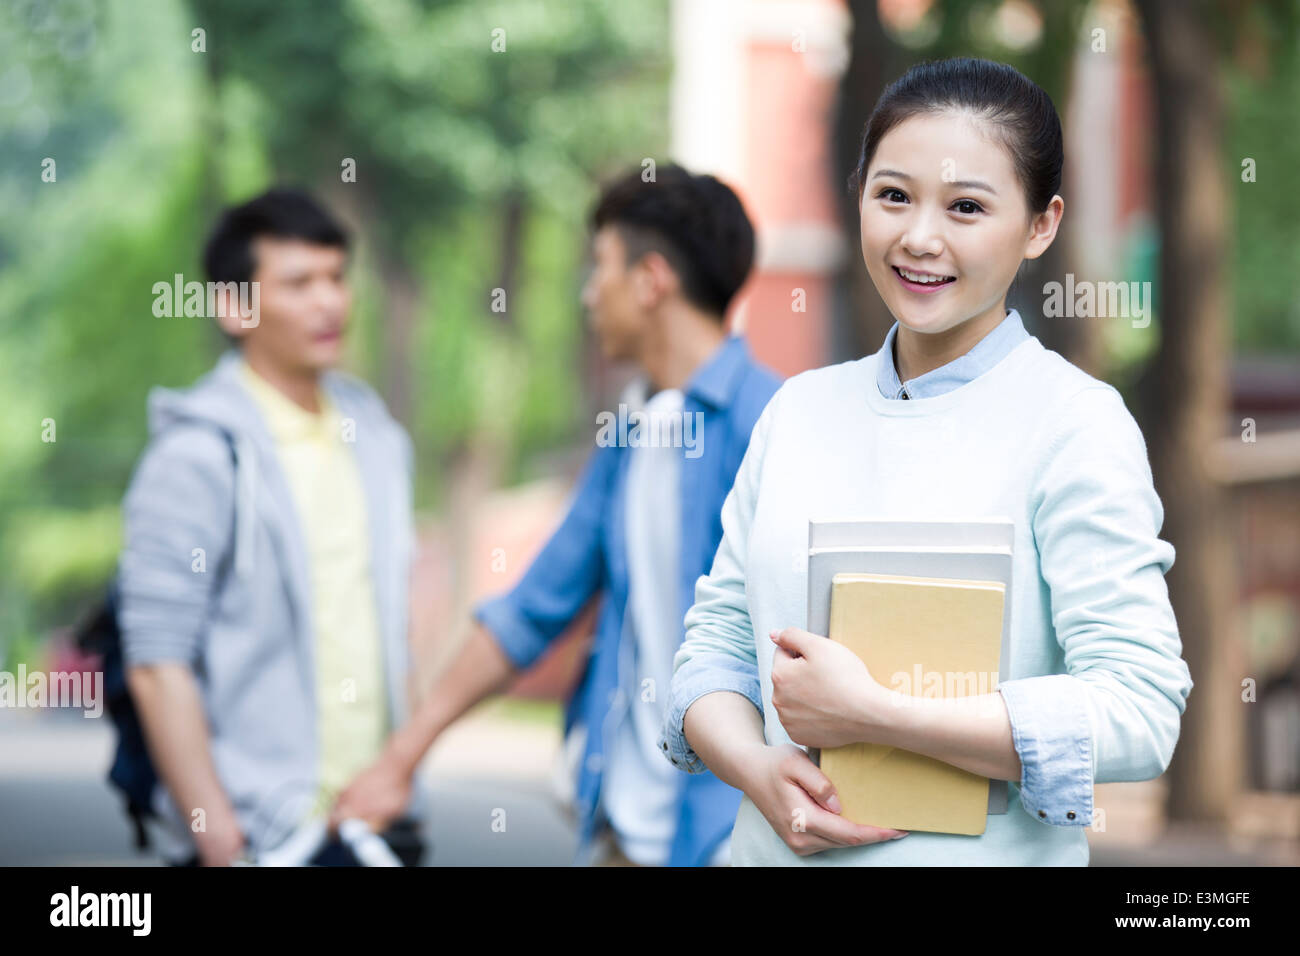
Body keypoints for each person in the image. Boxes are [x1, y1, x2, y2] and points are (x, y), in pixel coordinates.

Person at [659, 57, 1194, 865]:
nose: (919, 237)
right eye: (893, 195)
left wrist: (877, 715)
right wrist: (761, 771)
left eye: (967, 207)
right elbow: (716, 649)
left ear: (1042, 225)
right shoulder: (798, 410)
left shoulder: (1074, 423)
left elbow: (1140, 709)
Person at [330, 164, 782, 866]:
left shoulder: (775, 427)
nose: (588, 294)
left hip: (736, 840)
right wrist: (400, 760)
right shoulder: (631, 437)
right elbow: (530, 611)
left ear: (651, 280)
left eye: (599, 267)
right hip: (623, 834)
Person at [118, 188, 426, 866]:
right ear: (235, 307)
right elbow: (155, 661)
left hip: (375, 828)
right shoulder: (196, 454)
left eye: (337, 277)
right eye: (299, 283)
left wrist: (403, 774)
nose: (330, 302)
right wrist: (215, 835)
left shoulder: (376, 439)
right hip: (259, 836)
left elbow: (393, 625)